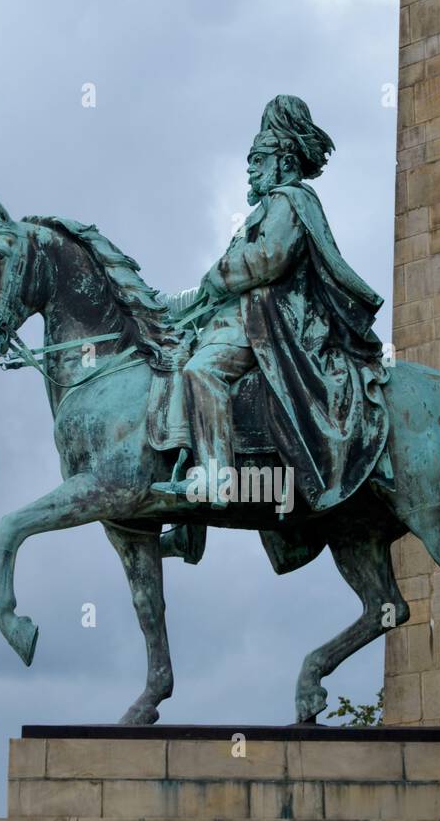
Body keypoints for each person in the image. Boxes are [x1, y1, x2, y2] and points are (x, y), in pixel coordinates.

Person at [152, 95, 392, 512]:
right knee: (177, 358)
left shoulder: (289, 201)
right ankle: (187, 527)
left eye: (257, 159)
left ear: (282, 162)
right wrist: (187, 300)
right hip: (249, 314)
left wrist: (215, 276)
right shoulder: (271, 205)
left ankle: (215, 479)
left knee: (200, 370)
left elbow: (270, 257)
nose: (250, 168)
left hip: (276, 319)